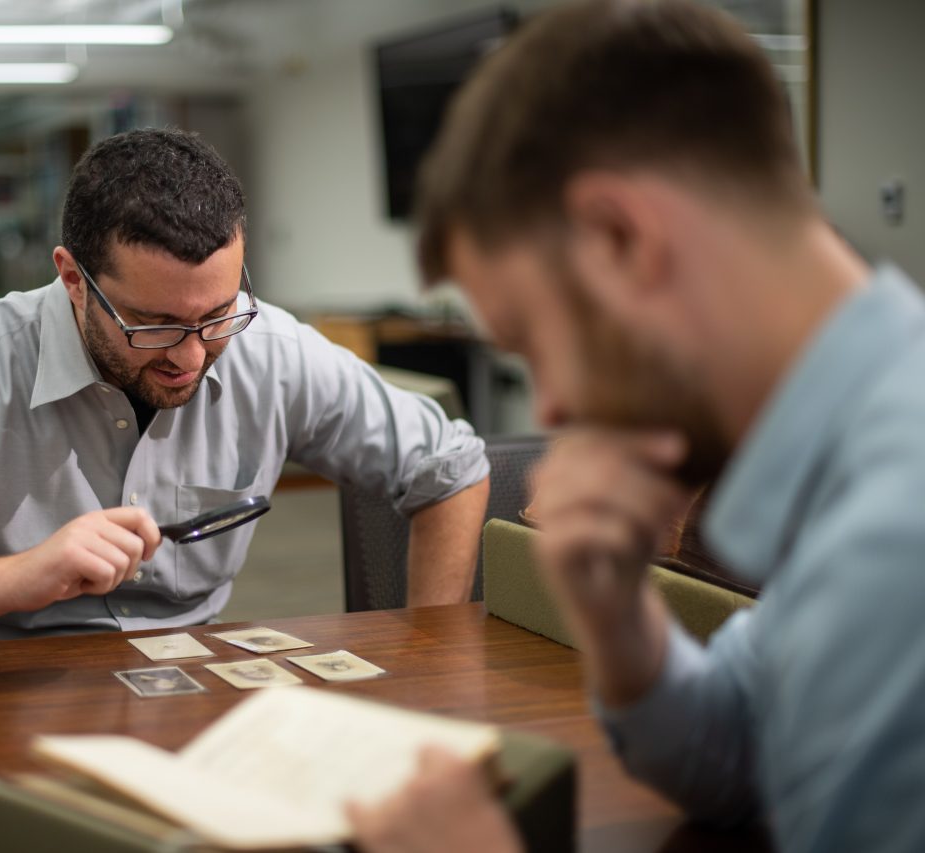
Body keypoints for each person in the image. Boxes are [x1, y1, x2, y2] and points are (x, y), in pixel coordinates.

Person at [349, 1, 925, 851]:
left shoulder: (895, 534)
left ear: (624, 237)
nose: (546, 411)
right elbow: (737, 747)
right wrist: (617, 618)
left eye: (536, 341)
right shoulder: (857, 458)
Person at [0, 128, 490, 665]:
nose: (193, 355)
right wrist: (15, 578)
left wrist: (428, 662)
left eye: (217, 314)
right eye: (155, 324)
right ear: (73, 278)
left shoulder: (272, 348)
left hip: (191, 689)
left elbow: (451, 466)